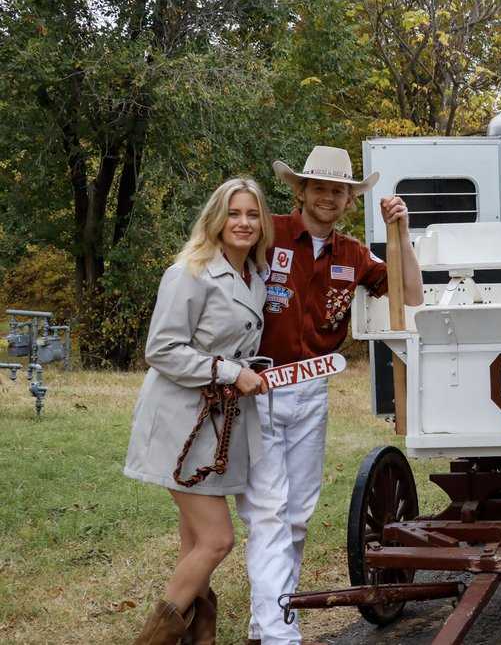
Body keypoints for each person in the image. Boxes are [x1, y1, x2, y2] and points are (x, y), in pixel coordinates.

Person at [238, 146, 422, 645]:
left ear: (348, 200)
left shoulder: (353, 254)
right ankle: (279, 635)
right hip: (255, 385)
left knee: (295, 514)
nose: (328, 197)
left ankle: (268, 622)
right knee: (266, 511)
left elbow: (411, 294)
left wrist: (400, 234)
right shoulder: (266, 231)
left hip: (311, 389)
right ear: (300, 190)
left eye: (338, 191)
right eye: (318, 187)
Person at [125, 178, 272, 645]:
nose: (244, 223)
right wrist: (230, 374)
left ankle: (199, 637)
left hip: (218, 425)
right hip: (178, 421)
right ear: (216, 218)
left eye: (252, 214)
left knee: (194, 543)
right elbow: (162, 349)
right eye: (234, 213)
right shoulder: (189, 271)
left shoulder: (256, 276)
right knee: (216, 540)